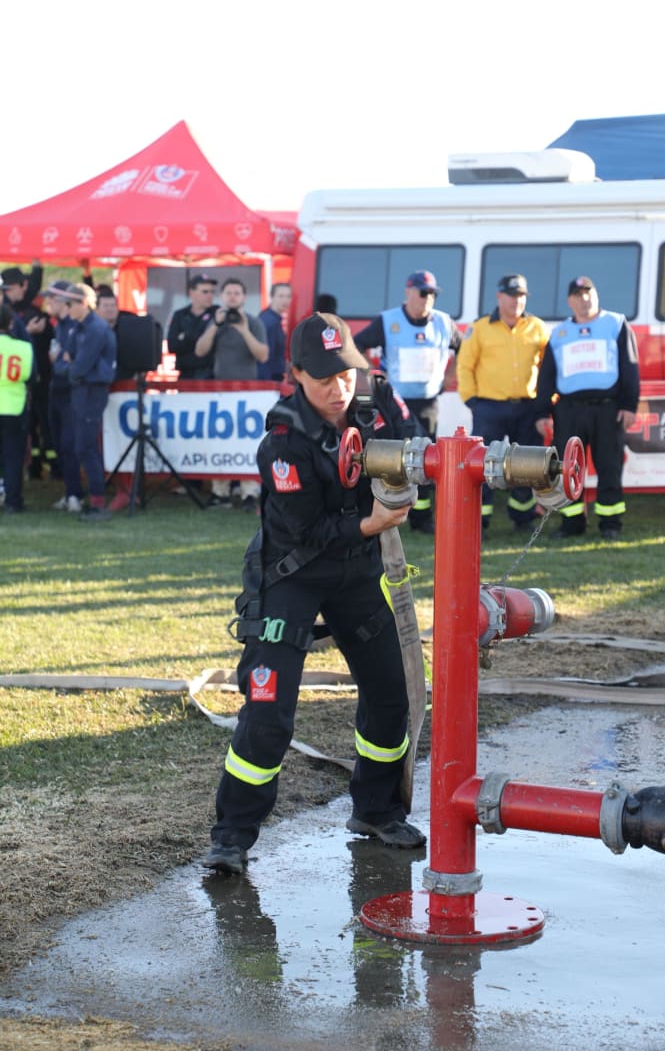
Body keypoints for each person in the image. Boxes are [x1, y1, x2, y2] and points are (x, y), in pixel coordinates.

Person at [203, 312, 426, 874]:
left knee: (391, 692)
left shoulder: (376, 408)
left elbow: (410, 460)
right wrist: (375, 524)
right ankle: (232, 837)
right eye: (324, 377)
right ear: (297, 373)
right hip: (291, 575)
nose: (338, 388)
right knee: (269, 712)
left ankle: (376, 809)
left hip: (355, 575)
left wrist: (408, 484)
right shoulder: (283, 444)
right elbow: (306, 534)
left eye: (346, 373)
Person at [354, 270, 462, 534]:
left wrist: (450, 375)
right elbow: (356, 345)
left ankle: (422, 518)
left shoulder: (444, 323)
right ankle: (386, 512)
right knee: (393, 459)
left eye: (432, 294)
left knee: (426, 459)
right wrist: (374, 375)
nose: (428, 298)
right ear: (409, 291)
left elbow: (463, 349)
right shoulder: (388, 321)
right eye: (423, 293)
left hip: (428, 403)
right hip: (395, 405)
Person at [535, 276, 640, 541]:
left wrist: (629, 405)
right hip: (569, 410)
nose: (584, 299)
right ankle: (572, 524)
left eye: (588, 292)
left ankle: (610, 524)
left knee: (609, 465)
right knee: (569, 468)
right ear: (570, 301)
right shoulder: (559, 334)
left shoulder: (615, 324)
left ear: (596, 295)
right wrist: (542, 412)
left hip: (608, 409)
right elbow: (547, 376)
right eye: (578, 295)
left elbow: (630, 367)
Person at [457, 274, 550, 533]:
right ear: (499, 297)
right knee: (485, 463)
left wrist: (546, 402)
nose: (516, 301)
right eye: (512, 295)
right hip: (489, 407)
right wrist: (472, 400)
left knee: (526, 465)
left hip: (527, 407)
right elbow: (465, 366)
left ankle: (523, 517)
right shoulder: (480, 328)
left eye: (521, 296)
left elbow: (549, 368)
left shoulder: (538, 327)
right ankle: (480, 518)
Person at [195, 278, 268, 510]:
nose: (233, 297)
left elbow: (263, 355)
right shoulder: (216, 322)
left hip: (248, 393)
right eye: (229, 293)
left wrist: (244, 331)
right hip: (220, 393)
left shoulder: (254, 322)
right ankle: (221, 492)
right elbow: (200, 351)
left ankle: (249, 492)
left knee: (247, 442)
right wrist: (216, 326)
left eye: (237, 293)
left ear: (244, 297)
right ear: (222, 297)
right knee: (221, 441)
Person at [54, 284, 117, 522]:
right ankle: (95, 500)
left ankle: (98, 502)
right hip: (81, 391)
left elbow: (77, 368)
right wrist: (70, 365)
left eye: (69, 304)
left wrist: (70, 365)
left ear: (83, 303)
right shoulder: (77, 328)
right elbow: (61, 363)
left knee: (86, 447)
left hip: (92, 392)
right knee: (82, 446)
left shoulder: (96, 329)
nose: (65, 308)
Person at [1, 262, 58, 480]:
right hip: (18, 393)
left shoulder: (29, 312)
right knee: (22, 437)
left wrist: (38, 266)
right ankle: (33, 468)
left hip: (33, 384)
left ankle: (48, 464)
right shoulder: (13, 315)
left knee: (43, 424)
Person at [43, 281, 84, 513]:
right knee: (58, 443)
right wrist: (60, 360)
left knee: (69, 445)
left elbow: (69, 361)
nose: (48, 303)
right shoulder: (58, 325)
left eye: (52, 299)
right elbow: (58, 358)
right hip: (56, 390)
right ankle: (69, 492)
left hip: (71, 392)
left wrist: (60, 361)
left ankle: (76, 494)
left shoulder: (75, 326)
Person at [0, 301, 34, 514]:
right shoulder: (23, 348)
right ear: (11, 323)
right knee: (13, 457)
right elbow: (31, 376)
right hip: (14, 407)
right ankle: (13, 501)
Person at [166, 273, 218, 379]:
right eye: (205, 292)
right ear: (192, 293)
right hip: (186, 373)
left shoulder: (216, 313)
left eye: (212, 292)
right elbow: (172, 346)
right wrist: (196, 336)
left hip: (210, 373)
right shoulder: (180, 315)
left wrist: (186, 337)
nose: (210, 296)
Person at [257, 282, 291, 382]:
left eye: (288, 296)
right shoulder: (269, 321)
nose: (285, 300)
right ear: (272, 297)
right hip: (269, 380)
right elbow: (266, 358)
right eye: (281, 296)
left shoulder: (273, 319)